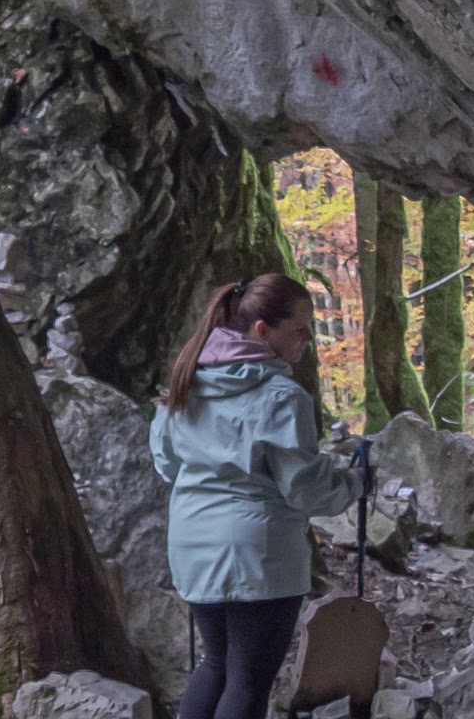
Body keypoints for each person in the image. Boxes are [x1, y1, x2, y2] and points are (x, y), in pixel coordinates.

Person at [149, 273, 363, 719]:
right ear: (264, 331)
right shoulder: (283, 397)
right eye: (300, 328)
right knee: (248, 680)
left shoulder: (185, 385)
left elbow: (169, 465)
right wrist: (355, 483)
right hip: (258, 554)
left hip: (193, 543)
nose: (309, 338)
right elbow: (305, 489)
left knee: (216, 664)